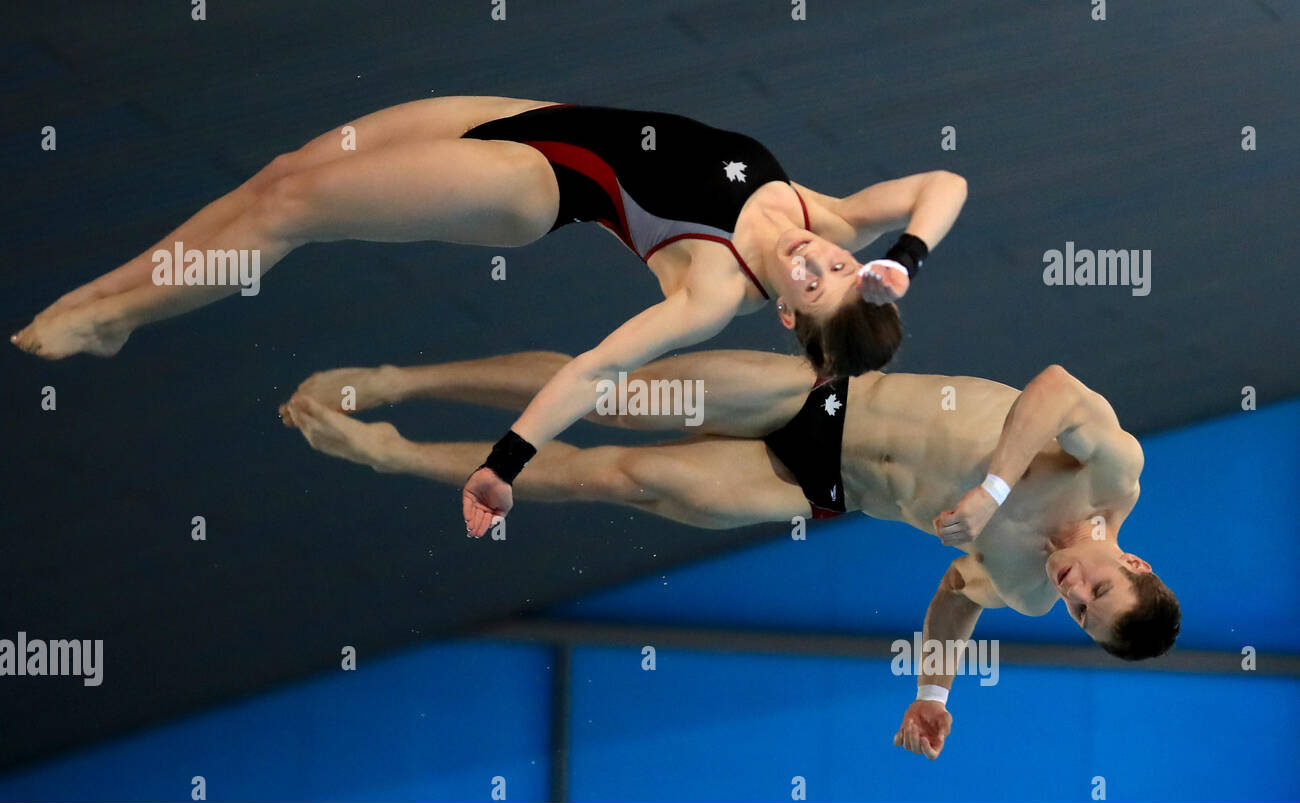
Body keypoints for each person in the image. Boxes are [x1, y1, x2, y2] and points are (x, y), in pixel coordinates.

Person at [9, 96, 966, 533]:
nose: (818, 261)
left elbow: (596, 373)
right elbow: (944, 181)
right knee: (286, 176)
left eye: (817, 285)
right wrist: (906, 263)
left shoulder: (712, 290)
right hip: (528, 114)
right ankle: (109, 303)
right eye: (845, 266)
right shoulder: (824, 214)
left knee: (295, 213)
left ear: (788, 320)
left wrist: (504, 465)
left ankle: (105, 319)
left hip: (531, 182)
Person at [278, 347, 1181, 759]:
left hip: (818, 485)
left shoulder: (1022, 588)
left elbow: (955, 592)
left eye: (1076, 610)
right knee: (615, 395)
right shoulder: (1116, 473)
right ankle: (402, 379)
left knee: (622, 478)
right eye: (1095, 588)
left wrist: (932, 690)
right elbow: (1057, 384)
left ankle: (391, 451)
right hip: (835, 400)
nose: (1070, 589)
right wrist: (990, 488)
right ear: (1133, 565)